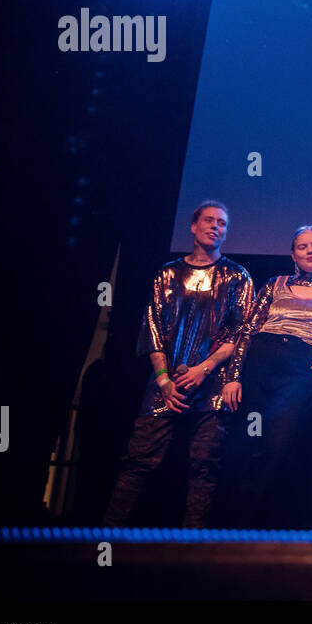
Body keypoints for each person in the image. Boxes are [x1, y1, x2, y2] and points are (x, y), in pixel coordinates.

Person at [104, 201, 254, 527]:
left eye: (223, 223)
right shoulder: (167, 273)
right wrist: (163, 381)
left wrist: (205, 368)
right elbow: (153, 329)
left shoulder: (237, 276)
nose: (216, 226)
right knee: (139, 460)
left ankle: (193, 547)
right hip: (167, 381)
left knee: (205, 464)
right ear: (193, 225)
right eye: (210, 220)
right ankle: (108, 539)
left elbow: (241, 334)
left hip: (212, 380)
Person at [220, 226, 312, 528]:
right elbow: (248, 329)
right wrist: (233, 376)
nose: (310, 251)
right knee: (249, 441)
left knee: (278, 445)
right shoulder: (274, 284)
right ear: (293, 254)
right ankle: (233, 530)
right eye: (302, 247)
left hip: (303, 369)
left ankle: (264, 528)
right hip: (262, 363)